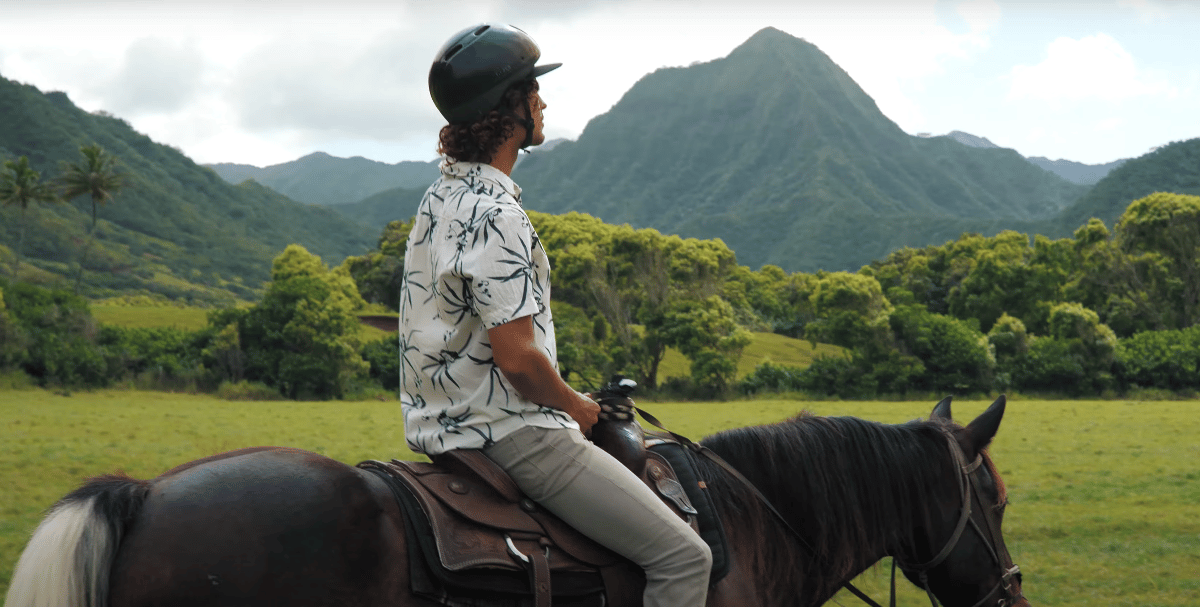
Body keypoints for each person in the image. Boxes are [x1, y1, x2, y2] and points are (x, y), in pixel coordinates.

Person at [399, 23, 712, 607]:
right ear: (509, 110)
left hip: (443, 429)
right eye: (531, 90)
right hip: (516, 436)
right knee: (684, 558)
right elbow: (519, 362)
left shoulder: (437, 201)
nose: (542, 101)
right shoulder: (499, 215)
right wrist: (580, 407)